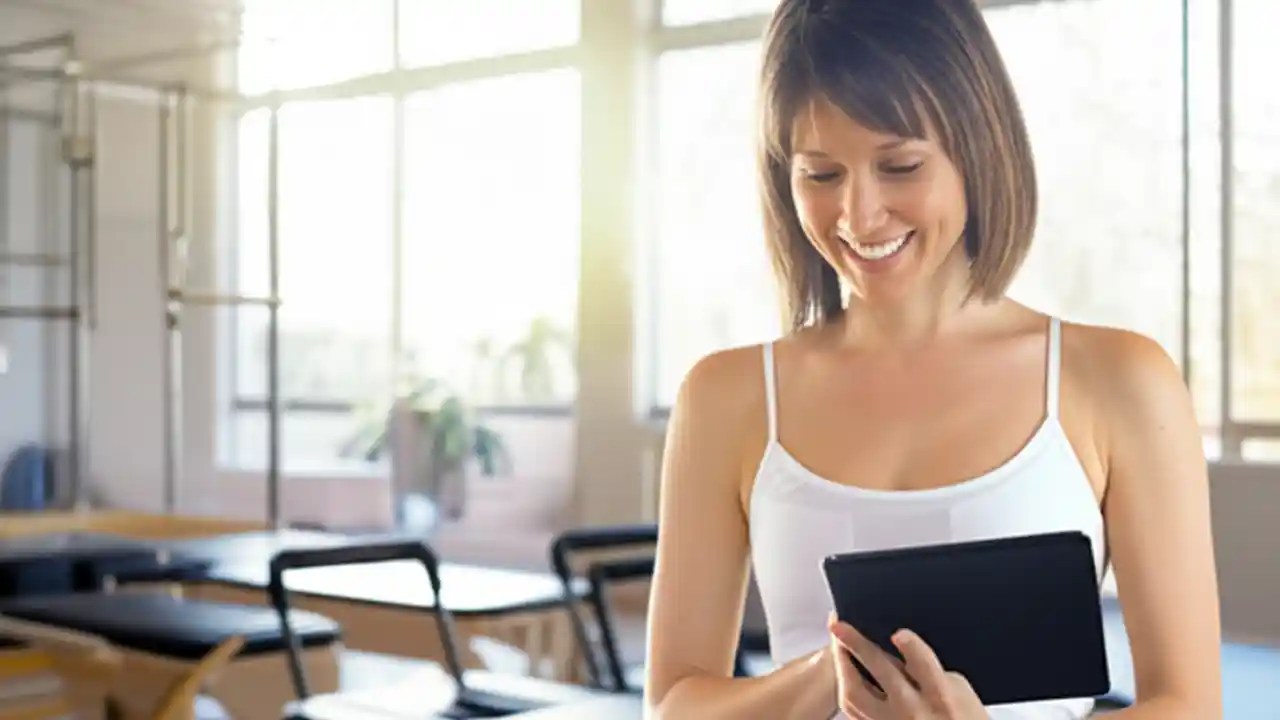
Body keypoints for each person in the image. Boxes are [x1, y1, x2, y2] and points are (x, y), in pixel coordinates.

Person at [643, 0, 1223, 718]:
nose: (859, 215)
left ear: (978, 149)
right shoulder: (725, 396)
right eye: (821, 176)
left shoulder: (1118, 383)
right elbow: (673, 705)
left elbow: (1189, 705)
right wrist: (842, 669)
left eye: (900, 166)